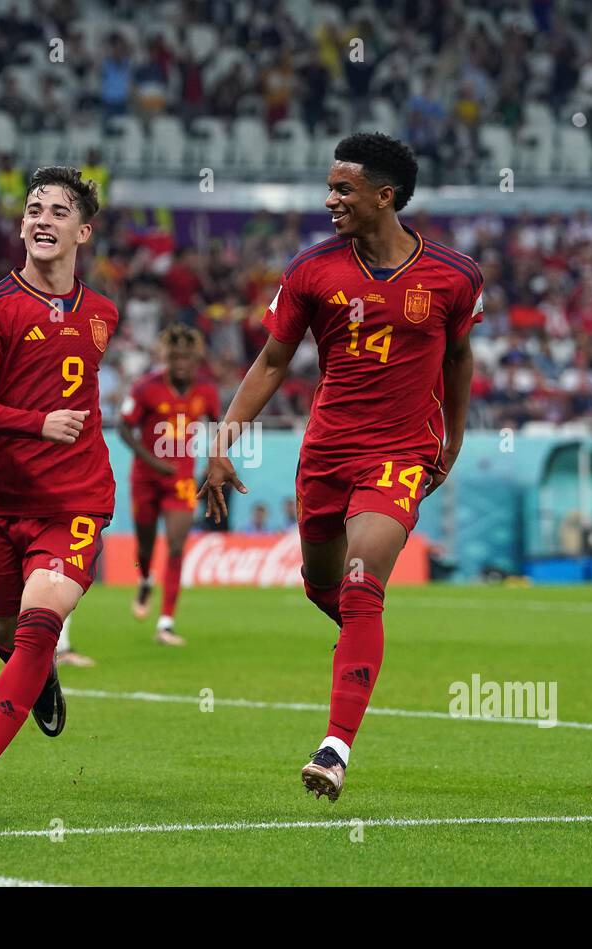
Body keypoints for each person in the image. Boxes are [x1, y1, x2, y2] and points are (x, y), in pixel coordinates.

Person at [200, 132, 482, 801]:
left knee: (361, 586)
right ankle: (364, 641)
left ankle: (334, 748)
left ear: (385, 197)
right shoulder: (311, 272)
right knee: (324, 585)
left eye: (343, 190)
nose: (330, 200)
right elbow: (272, 362)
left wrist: (454, 441)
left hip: (399, 453)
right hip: (325, 455)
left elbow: (459, 360)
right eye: (329, 188)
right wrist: (222, 441)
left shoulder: (454, 276)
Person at [0, 166, 117, 812]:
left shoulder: (102, 314)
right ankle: (38, 680)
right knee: (8, 636)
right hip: (0, 499)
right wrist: (37, 424)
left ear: (83, 232)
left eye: (59, 211)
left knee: (41, 626)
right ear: (21, 226)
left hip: (75, 501)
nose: (43, 218)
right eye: (34, 209)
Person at [118, 325, 220, 646]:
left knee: (176, 546)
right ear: (166, 358)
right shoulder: (145, 387)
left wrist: (214, 462)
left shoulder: (206, 392)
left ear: (195, 360)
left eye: (186, 358)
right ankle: (146, 578)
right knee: (146, 547)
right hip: (146, 478)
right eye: (174, 357)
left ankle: (165, 623)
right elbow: (123, 427)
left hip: (181, 480)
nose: (180, 364)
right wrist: (152, 461)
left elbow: (218, 427)